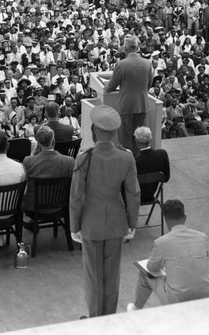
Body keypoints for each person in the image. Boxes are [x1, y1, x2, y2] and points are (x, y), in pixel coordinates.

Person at [69, 105, 140, 318]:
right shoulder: (126, 156)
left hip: (91, 222)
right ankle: (109, 319)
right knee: (112, 276)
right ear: (114, 132)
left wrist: (74, 225)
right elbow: (133, 194)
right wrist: (132, 223)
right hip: (117, 221)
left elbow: (76, 196)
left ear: (94, 131)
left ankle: (95, 319)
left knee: (93, 277)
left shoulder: (84, 157)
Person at [126, 199, 209, 311]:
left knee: (144, 273)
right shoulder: (202, 237)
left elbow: (151, 267)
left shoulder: (161, 242)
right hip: (206, 294)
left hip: (178, 299)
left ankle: (136, 309)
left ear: (167, 222)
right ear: (185, 218)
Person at [104, 35, 153, 156]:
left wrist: (106, 85)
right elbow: (149, 84)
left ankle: (127, 161)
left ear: (125, 49)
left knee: (125, 138)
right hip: (142, 104)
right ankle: (139, 161)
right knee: (140, 137)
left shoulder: (121, 64)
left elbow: (111, 87)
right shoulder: (147, 63)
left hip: (126, 106)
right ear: (137, 48)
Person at [21, 126, 75, 214]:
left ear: (38, 142)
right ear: (53, 141)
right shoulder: (69, 161)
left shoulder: (28, 161)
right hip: (60, 206)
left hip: (34, 208)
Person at [134, 126, 170, 203]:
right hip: (151, 194)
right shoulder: (162, 154)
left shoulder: (134, 160)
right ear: (150, 139)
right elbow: (166, 178)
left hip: (135, 196)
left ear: (136, 141)